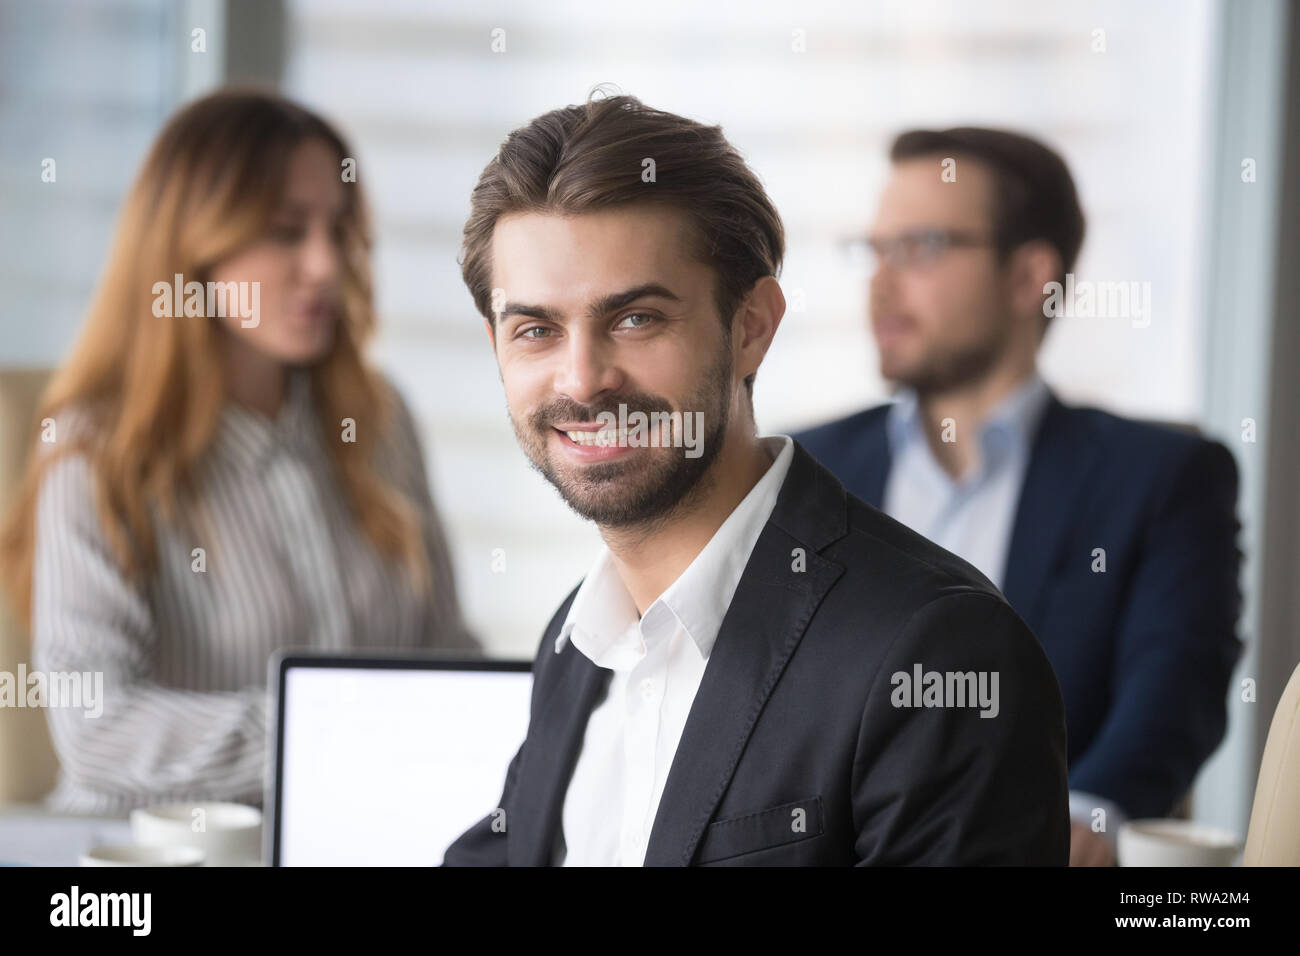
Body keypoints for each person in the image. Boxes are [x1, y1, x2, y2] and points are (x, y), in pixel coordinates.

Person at [442, 94, 1068, 866]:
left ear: (752, 328)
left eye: (636, 318)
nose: (583, 380)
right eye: (536, 330)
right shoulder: (578, 639)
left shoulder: (939, 655)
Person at [0, 88, 476, 816]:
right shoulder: (96, 453)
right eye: (287, 232)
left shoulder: (379, 421)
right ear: (191, 247)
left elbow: (448, 656)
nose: (324, 264)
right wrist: (336, 732)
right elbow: (97, 727)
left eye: (339, 229)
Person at [793, 127, 1243, 865]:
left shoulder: (1162, 477)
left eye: (920, 247)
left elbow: (1176, 687)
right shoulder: (803, 468)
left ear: (1031, 274)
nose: (880, 283)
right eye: (874, 251)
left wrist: (1085, 820)